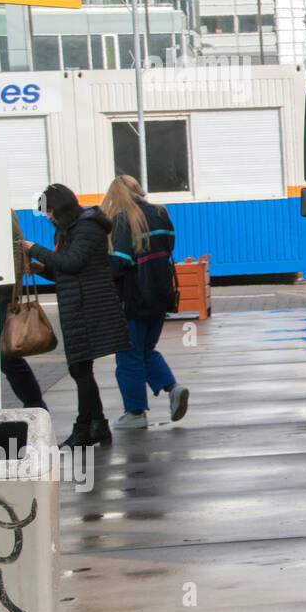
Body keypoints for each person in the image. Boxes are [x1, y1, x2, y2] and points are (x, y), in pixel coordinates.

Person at [16, 184, 130, 449]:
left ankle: (85, 428)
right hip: (78, 306)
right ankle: (96, 425)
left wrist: (35, 249)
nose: (48, 217)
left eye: (50, 211)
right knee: (80, 368)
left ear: (62, 207)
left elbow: (72, 263)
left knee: (80, 368)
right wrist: (42, 268)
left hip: (89, 307)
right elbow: (66, 270)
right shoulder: (71, 229)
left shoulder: (87, 227)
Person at [101, 175, 189, 430]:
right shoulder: (160, 213)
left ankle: (135, 413)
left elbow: (120, 262)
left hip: (133, 298)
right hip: (160, 295)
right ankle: (173, 388)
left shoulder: (122, 219)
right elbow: (170, 245)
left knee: (128, 356)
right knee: (146, 350)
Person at [0, 211, 47, 410]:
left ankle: (35, 405)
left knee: (7, 355)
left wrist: (11, 287)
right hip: (1, 292)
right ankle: (34, 403)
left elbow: (17, 245)